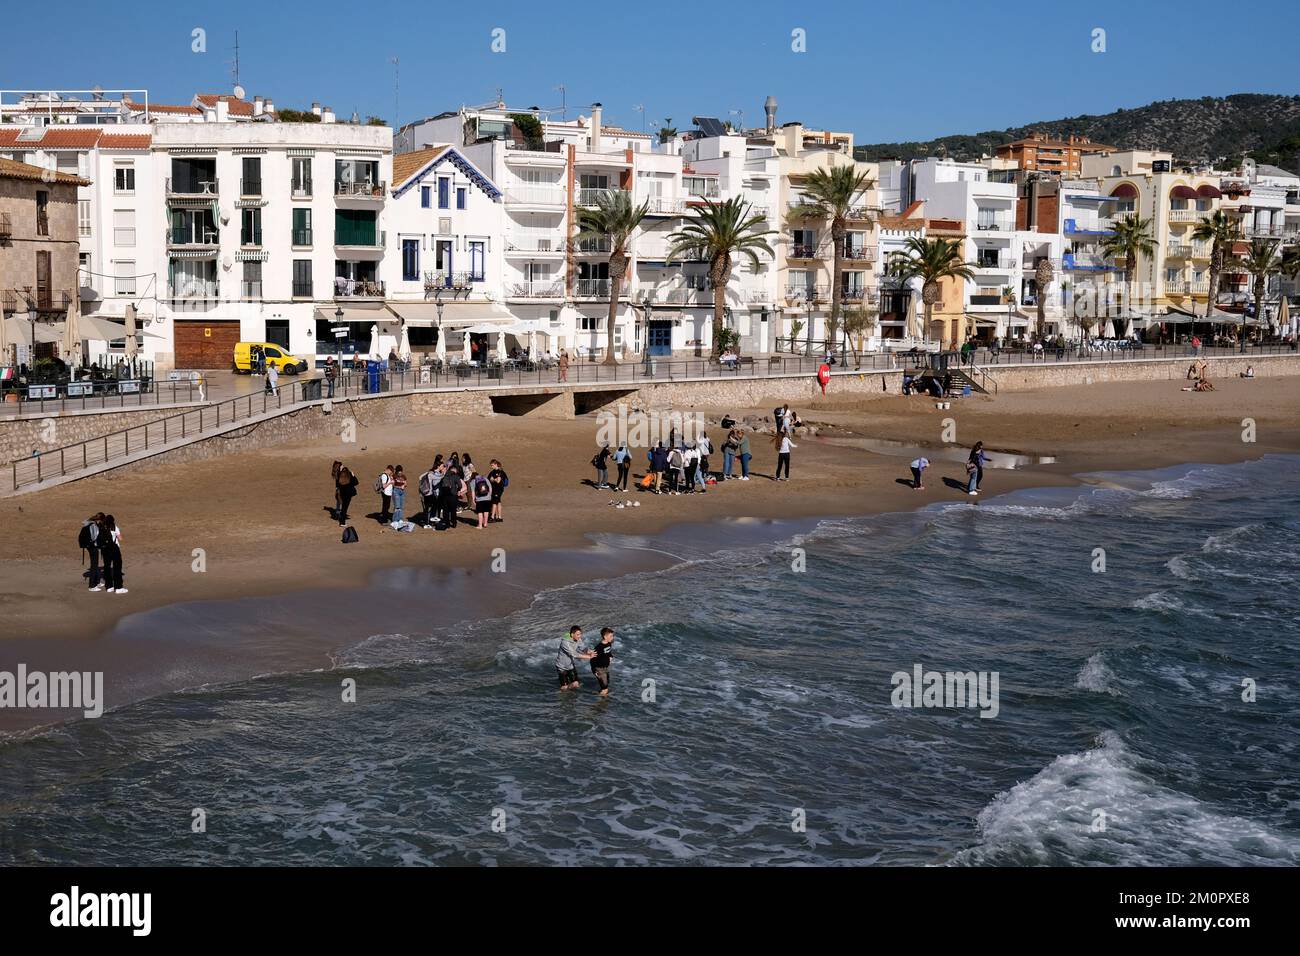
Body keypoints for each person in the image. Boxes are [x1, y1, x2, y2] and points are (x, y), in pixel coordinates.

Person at [556, 625, 594, 691]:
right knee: (564, 688)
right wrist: (589, 657)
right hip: (561, 667)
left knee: (576, 684)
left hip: (570, 666)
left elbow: (583, 648)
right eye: (578, 634)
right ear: (572, 634)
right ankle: (562, 694)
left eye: (580, 634)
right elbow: (574, 654)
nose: (580, 636)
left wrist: (592, 653)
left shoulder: (578, 639)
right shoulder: (565, 642)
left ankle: (573, 697)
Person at [101, 514, 126, 594]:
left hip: (105, 550)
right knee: (117, 567)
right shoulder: (114, 527)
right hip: (114, 549)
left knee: (107, 567)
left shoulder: (102, 527)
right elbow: (120, 538)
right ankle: (118, 587)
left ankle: (109, 587)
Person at [81, 512, 105, 591]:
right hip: (93, 547)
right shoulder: (93, 525)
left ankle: (96, 582)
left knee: (95, 564)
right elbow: (94, 537)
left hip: (89, 546)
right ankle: (92, 586)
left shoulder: (88, 523)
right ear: (99, 519)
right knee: (94, 565)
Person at [591, 626, 616, 697]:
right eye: (611, 636)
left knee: (606, 684)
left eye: (612, 636)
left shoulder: (609, 643)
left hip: (605, 668)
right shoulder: (598, 647)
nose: (612, 638)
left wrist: (611, 656)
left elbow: (608, 652)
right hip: (598, 668)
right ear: (605, 637)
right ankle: (600, 703)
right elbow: (592, 659)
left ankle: (601, 697)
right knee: (605, 688)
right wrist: (594, 670)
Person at [419, 457, 442, 525]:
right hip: (429, 493)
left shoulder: (428, 473)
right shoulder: (431, 474)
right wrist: (444, 473)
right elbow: (439, 477)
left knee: (427, 508)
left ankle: (426, 523)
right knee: (435, 503)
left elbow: (420, 477)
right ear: (438, 466)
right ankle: (432, 517)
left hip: (425, 494)